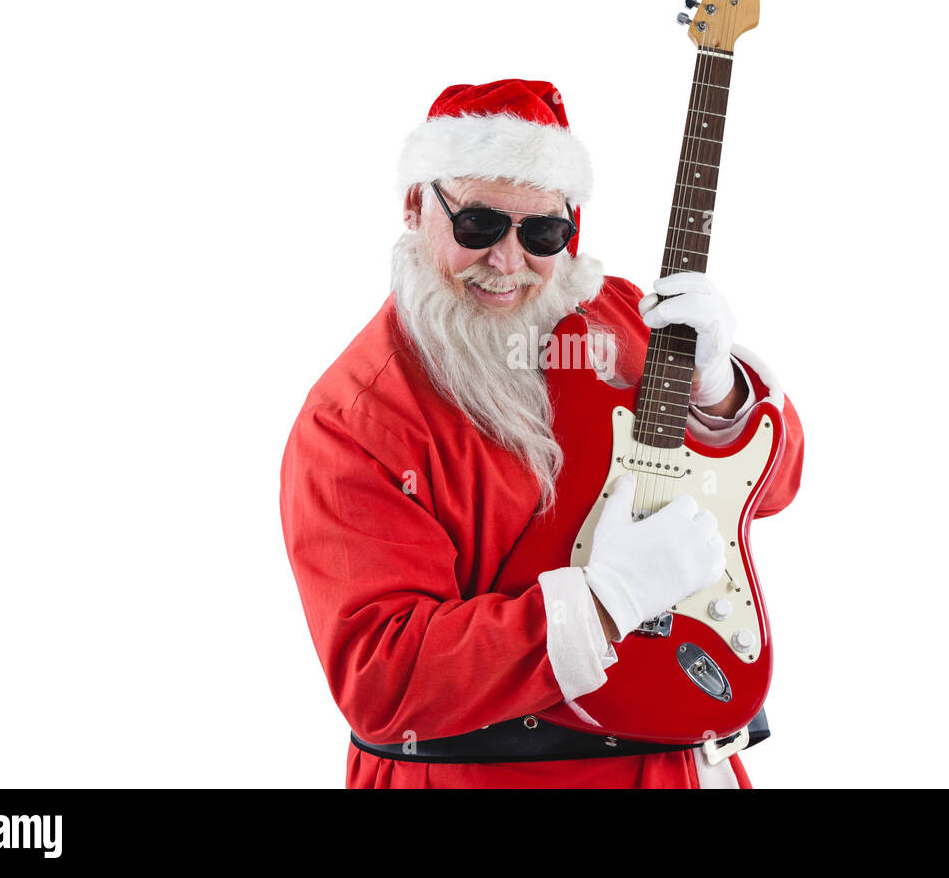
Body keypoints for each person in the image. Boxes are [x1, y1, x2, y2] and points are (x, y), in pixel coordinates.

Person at [279, 78, 804, 788]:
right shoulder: (354, 422)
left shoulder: (618, 318)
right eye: (479, 225)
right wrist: (607, 598)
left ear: (572, 227)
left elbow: (765, 492)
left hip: (682, 764)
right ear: (415, 207)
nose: (507, 261)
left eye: (543, 233)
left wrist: (722, 393)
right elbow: (384, 681)